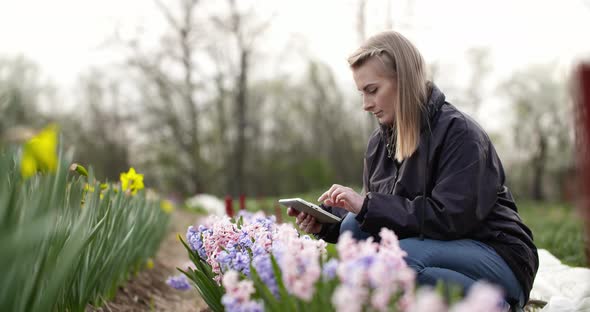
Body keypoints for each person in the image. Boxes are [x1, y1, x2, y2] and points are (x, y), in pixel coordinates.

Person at [287, 30, 538, 310]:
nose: (365, 105)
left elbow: (451, 218)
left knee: (398, 259)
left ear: (405, 81)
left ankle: (497, 305)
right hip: (437, 249)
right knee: (353, 230)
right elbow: (383, 214)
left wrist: (367, 206)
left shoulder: (460, 134)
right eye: (361, 93)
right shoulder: (379, 144)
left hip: (496, 253)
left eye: (372, 90)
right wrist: (328, 222)